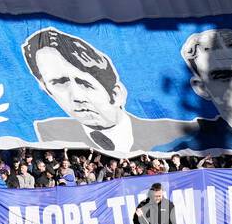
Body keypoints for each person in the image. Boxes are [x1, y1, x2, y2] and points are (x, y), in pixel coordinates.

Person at [21, 28, 195, 153]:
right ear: (47, 91)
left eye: (84, 83)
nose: (76, 97)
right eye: (60, 83)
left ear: (116, 93)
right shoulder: (47, 135)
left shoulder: (177, 134)